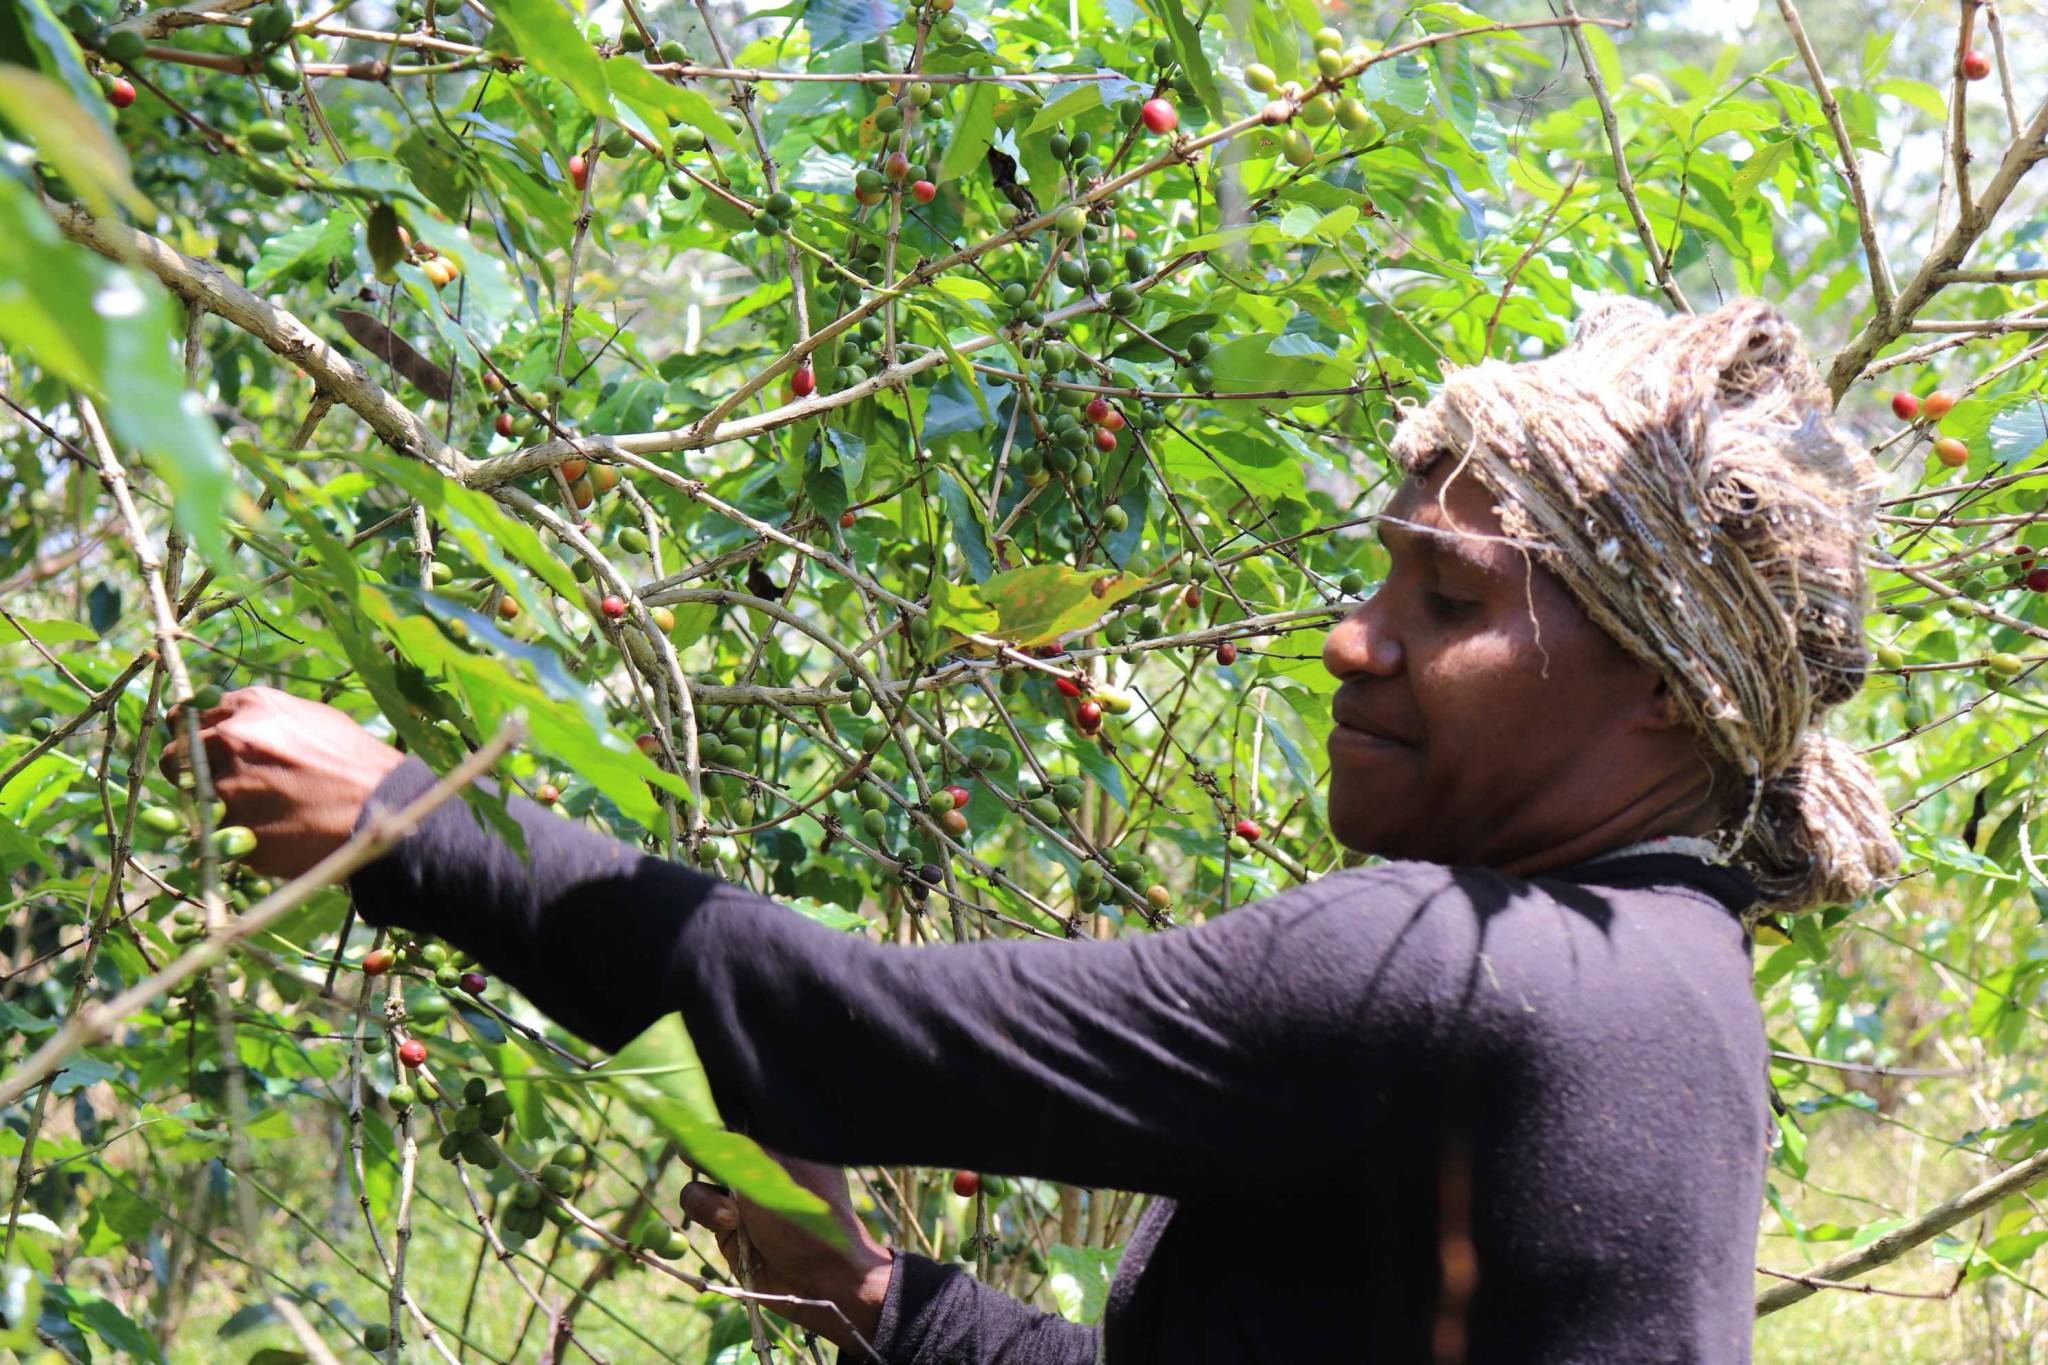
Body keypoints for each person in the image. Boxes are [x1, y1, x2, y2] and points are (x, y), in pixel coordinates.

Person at [165, 297, 1901, 1363]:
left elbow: (825, 1032)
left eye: (1445, 599)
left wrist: (413, 829)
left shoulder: (1453, 970)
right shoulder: (1681, 987)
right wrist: (874, 1299)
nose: (1349, 639)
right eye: (1378, 574)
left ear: (1662, 690)